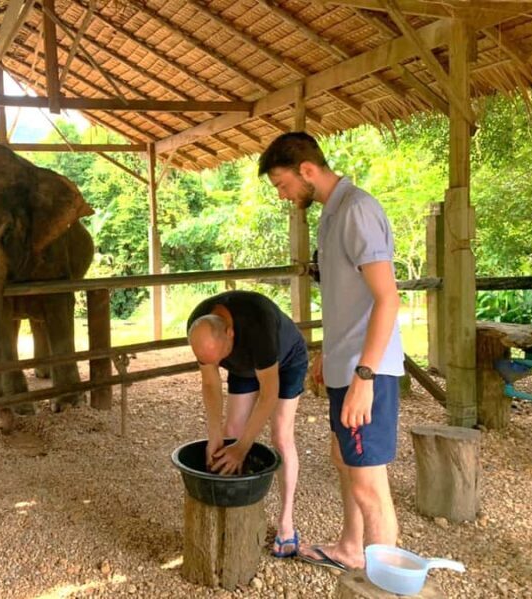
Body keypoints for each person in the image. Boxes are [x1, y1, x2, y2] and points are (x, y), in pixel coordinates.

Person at [258, 132, 404, 571]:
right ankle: (350, 548)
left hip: (367, 371)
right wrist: (328, 352)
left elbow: (388, 298)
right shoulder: (329, 213)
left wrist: (363, 377)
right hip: (348, 362)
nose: (284, 196)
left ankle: (386, 580)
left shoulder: (357, 209)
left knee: (368, 484)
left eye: (283, 185)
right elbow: (346, 297)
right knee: (344, 459)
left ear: (307, 170)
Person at [187, 290, 308, 558]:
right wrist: (215, 434)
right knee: (230, 434)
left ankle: (286, 522)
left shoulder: (257, 323)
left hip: (285, 362)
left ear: (230, 333)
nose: (217, 364)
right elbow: (210, 382)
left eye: (221, 357)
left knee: (280, 438)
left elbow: (268, 394)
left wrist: (243, 447)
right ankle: (233, 513)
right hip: (244, 366)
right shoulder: (200, 325)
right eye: (214, 361)